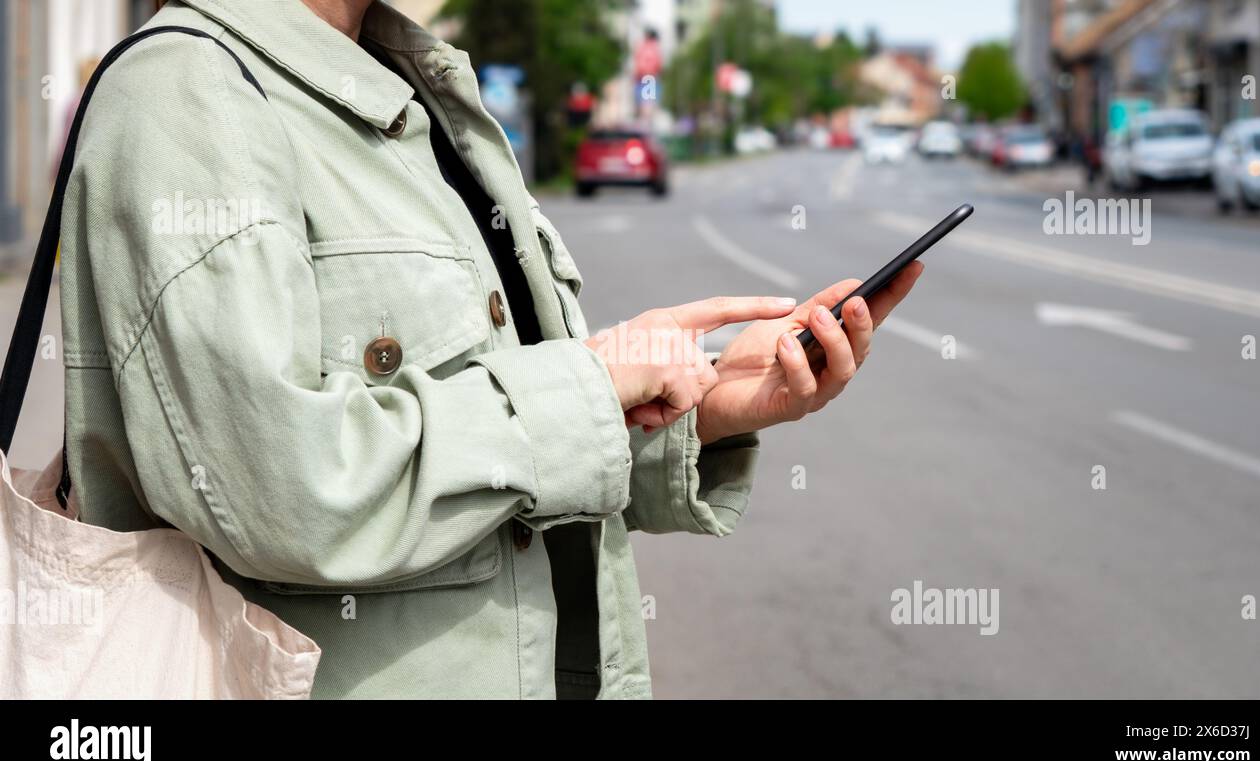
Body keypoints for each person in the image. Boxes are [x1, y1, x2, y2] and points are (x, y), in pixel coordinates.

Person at [59, 0, 923, 699]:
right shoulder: (189, 92)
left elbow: (504, 464)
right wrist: (588, 382)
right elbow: (280, 489)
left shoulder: (420, 94)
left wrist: (709, 405)